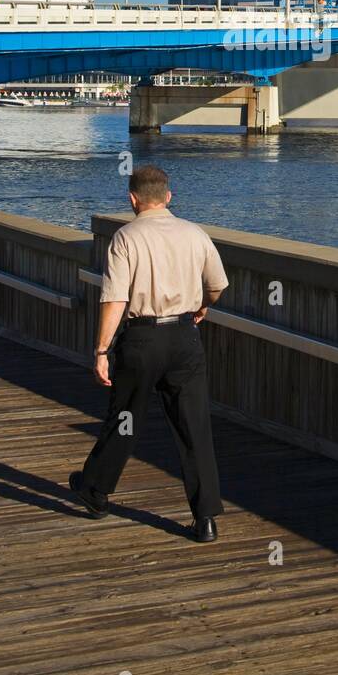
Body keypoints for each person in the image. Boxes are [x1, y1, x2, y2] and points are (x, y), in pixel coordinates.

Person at [69, 164, 228, 542]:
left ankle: (96, 490)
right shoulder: (195, 233)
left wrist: (102, 349)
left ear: (132, 199)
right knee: (194, 427)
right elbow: (218, 285)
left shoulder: (126, 237)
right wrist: (203, 305)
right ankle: (205, 518)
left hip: (142, 339)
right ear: (169, 197)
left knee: (125, 418)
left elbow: (116, 298)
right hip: (185, 338)